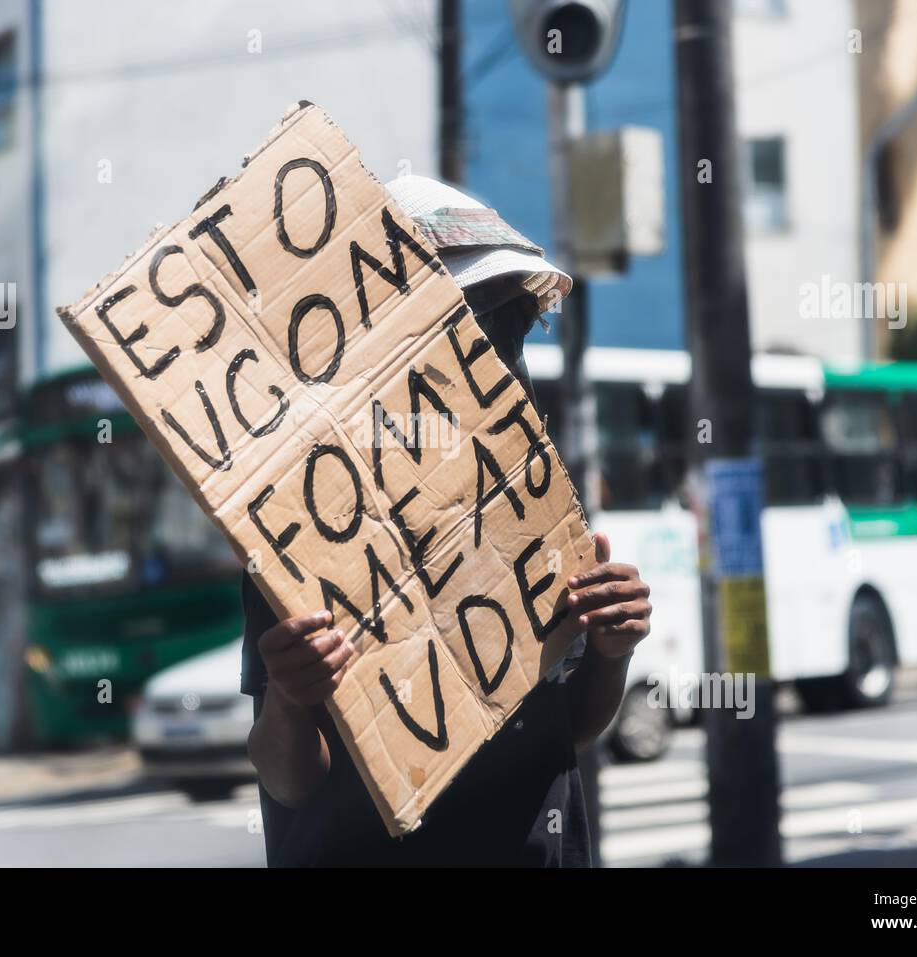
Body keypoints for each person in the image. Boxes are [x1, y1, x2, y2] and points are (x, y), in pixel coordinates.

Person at [240, 175, 653, 866]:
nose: (497, 362)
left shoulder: (532, 501)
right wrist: (290, 700)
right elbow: (288, 776)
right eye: (470, 331)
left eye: (509, 330)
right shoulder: (303, 521)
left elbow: (567, 726)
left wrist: (614, 651)